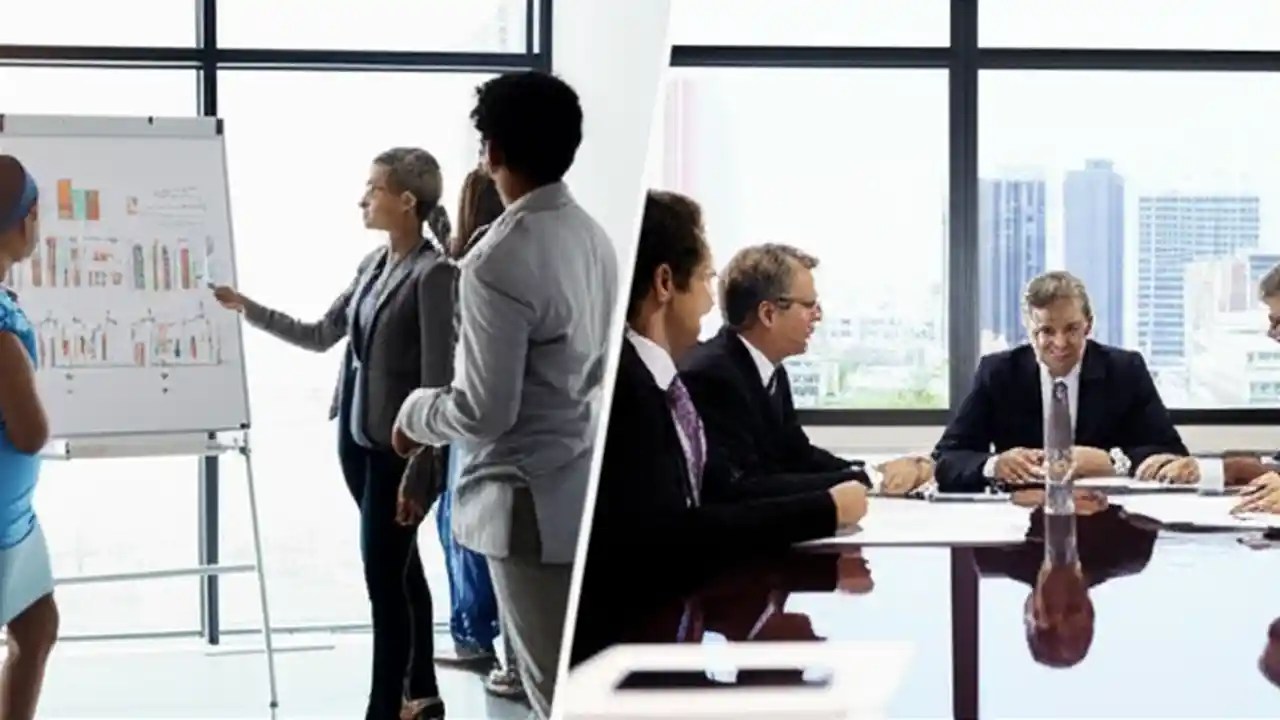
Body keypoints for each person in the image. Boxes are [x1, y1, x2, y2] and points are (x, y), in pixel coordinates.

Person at [392, 71, 617, 720]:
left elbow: (485, 409)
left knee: (552, 696)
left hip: (525, 506)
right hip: (579, 489)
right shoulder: (593, 237)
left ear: (491, 151)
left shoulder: (499, 257)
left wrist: (414, 413)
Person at [571, 191, 869, 667]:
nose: (713, 302)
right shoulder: (632, 388)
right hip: (625, 656)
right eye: (708, 278)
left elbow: (719, 494)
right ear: (666, 281)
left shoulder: (657, 381)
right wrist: (826, 507)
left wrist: (849, 483)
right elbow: (682, 529)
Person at [212, 147, 457, 720]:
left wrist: (425, 465)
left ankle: (383, 707)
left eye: (373, 189)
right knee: (400, 569)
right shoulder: (373, 265)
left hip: (401, 453)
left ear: (405, 201)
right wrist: (247, 307)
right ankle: (421, 690)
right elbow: (323, 333)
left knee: (382, 579)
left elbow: (437, 383)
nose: (362, 198)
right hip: (356, 442)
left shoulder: (435, 274)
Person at [933, 270, 1193, 493]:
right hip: (1020, 518)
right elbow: (947, 457)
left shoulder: (1125, 370)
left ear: (1088, 326)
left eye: (1071, 329)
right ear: (1028, 330)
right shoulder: (998, 372)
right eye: (1046, 331)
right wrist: (995, 464)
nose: (1060, 343)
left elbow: (1172, 453)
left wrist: (1112, 462)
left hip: (1106, 520)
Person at [678, 244, 874, 494]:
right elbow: (743, 486)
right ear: (768, 314)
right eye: (808, 305)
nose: (818, 315)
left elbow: (797, 455)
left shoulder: (771, 370)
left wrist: (865, 472)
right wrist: (849, 485)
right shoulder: (712, 376)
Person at [434, 167, 525, 701]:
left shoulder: (476, 264)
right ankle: (482, 642)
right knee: (476, 533)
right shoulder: (506, 255)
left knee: (478, 536)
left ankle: (495, 650)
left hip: (470, 420)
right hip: (488, 423)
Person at [0, 155, 58, 720]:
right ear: (24, 220)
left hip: (15, 516)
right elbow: (30, 431)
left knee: (36, 624)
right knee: (35, 626)